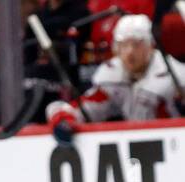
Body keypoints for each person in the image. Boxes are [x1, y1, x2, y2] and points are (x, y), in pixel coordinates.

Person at [46, 13, 185, 134]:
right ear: (116, 48)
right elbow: (88, 107)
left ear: (151, 45)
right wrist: (64, 116)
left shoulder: (175, 75)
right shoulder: (112, 74)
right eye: (124, 45)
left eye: (136, 45)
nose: (129, 52)